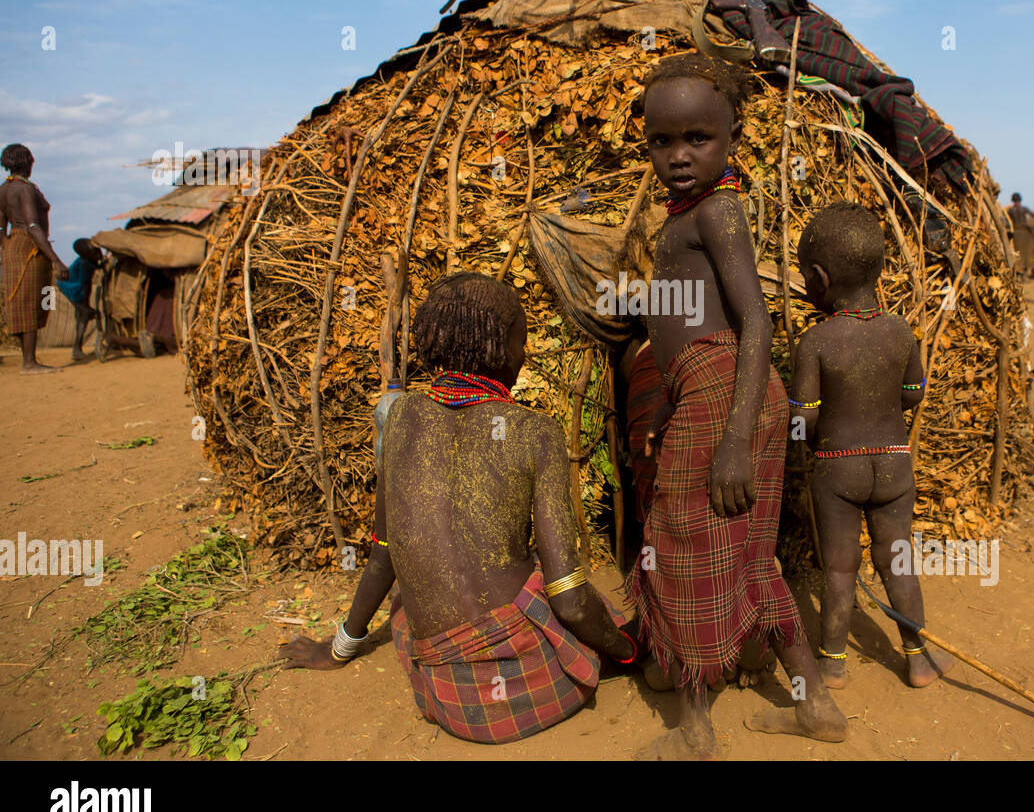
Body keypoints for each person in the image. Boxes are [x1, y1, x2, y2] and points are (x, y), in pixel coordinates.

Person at [282, 273, 637, 744]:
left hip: (452, 698)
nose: (523, 354)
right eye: (519, 341)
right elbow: (569, 601)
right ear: (497, 346)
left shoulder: (401, 416)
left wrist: (342, 646)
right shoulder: (534, 432)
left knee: (407, 603)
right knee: (596, 606)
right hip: (537, 687)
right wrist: (628, 650)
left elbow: (383, 555)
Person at [625, 52, 846, 759]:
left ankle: (693, 729)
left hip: (729, 396)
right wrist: (669, 403)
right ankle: (816, 706)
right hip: (714, 391)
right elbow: (692, 318)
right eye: (662, 141)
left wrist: (732, 438)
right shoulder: (690, 214)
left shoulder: (718, 210)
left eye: (698, 138)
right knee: (752, 561)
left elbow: (756, 322)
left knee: (680, 550)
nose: (679, 156)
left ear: (733, 133)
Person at [792, 203, 954, 690]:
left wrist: (797, 449)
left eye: (805, 277)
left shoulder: (816, 342)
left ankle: (833, 664)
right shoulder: (900, 331)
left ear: (820, 277)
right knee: (897, 558)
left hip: (839, 470)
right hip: (894, 465)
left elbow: (806, 415)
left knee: (840, 568)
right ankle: (918, 658)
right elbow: (913, 393)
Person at [1, 143, 69, 372]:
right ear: (26, 162)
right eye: (31, 160)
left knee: (20, 302)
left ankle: (28, 359)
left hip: (13, 247)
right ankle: (29, 362)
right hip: (31, 247)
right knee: (33, 301)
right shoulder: (25, 189)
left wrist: (8, 248)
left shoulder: (3, 189)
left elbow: (1, 229)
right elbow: (33, 226)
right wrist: (56, 259)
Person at [57, 238, 103, 362]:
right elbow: (86, 285)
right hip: (71, 290)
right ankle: (77, 349)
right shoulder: (85, 264)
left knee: (83, 317)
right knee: (86, 314)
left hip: (75, 289)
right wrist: (86, 305)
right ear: (86, 255)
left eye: (99, 251)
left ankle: (77, 349)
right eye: (95, 253)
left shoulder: (88, 261)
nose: (99, 255)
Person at [1007, 193, 1034, 277]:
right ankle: (1024, 273)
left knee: (1018, 253)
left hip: (1016, 234)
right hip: (1024, 233)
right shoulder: (1024, 209)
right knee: (1025, 253)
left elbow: (1007, 222)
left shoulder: (1011, 210)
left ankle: (1020, 272)